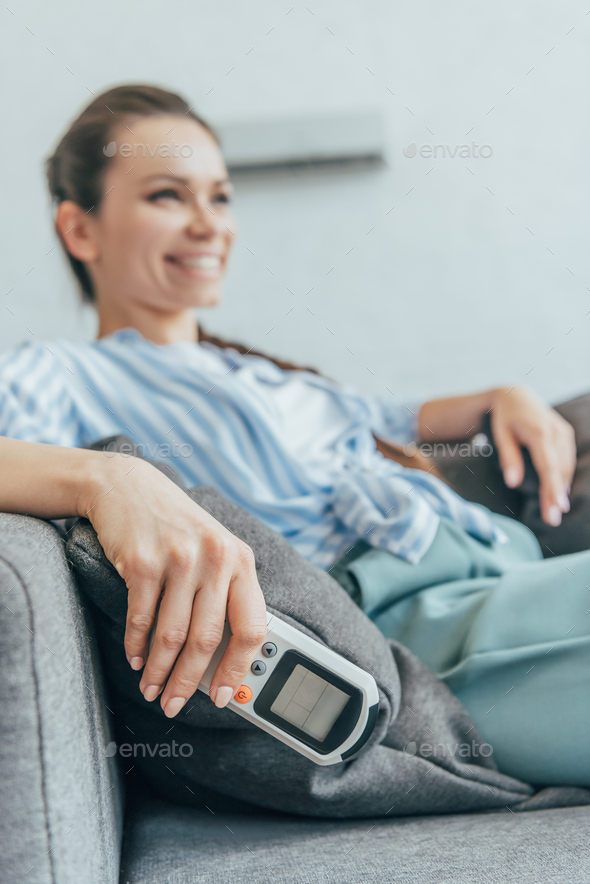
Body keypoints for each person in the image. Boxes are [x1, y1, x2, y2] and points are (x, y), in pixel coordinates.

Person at [0, 85, 587, 785]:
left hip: (505, 559)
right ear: (81, 230)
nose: (207, 224)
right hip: (410, 623)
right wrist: (104, 478)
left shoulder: (254, 370)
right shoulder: (59, 373)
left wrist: (504, 397)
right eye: (167, 196)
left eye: (220, 197)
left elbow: (397, 416)